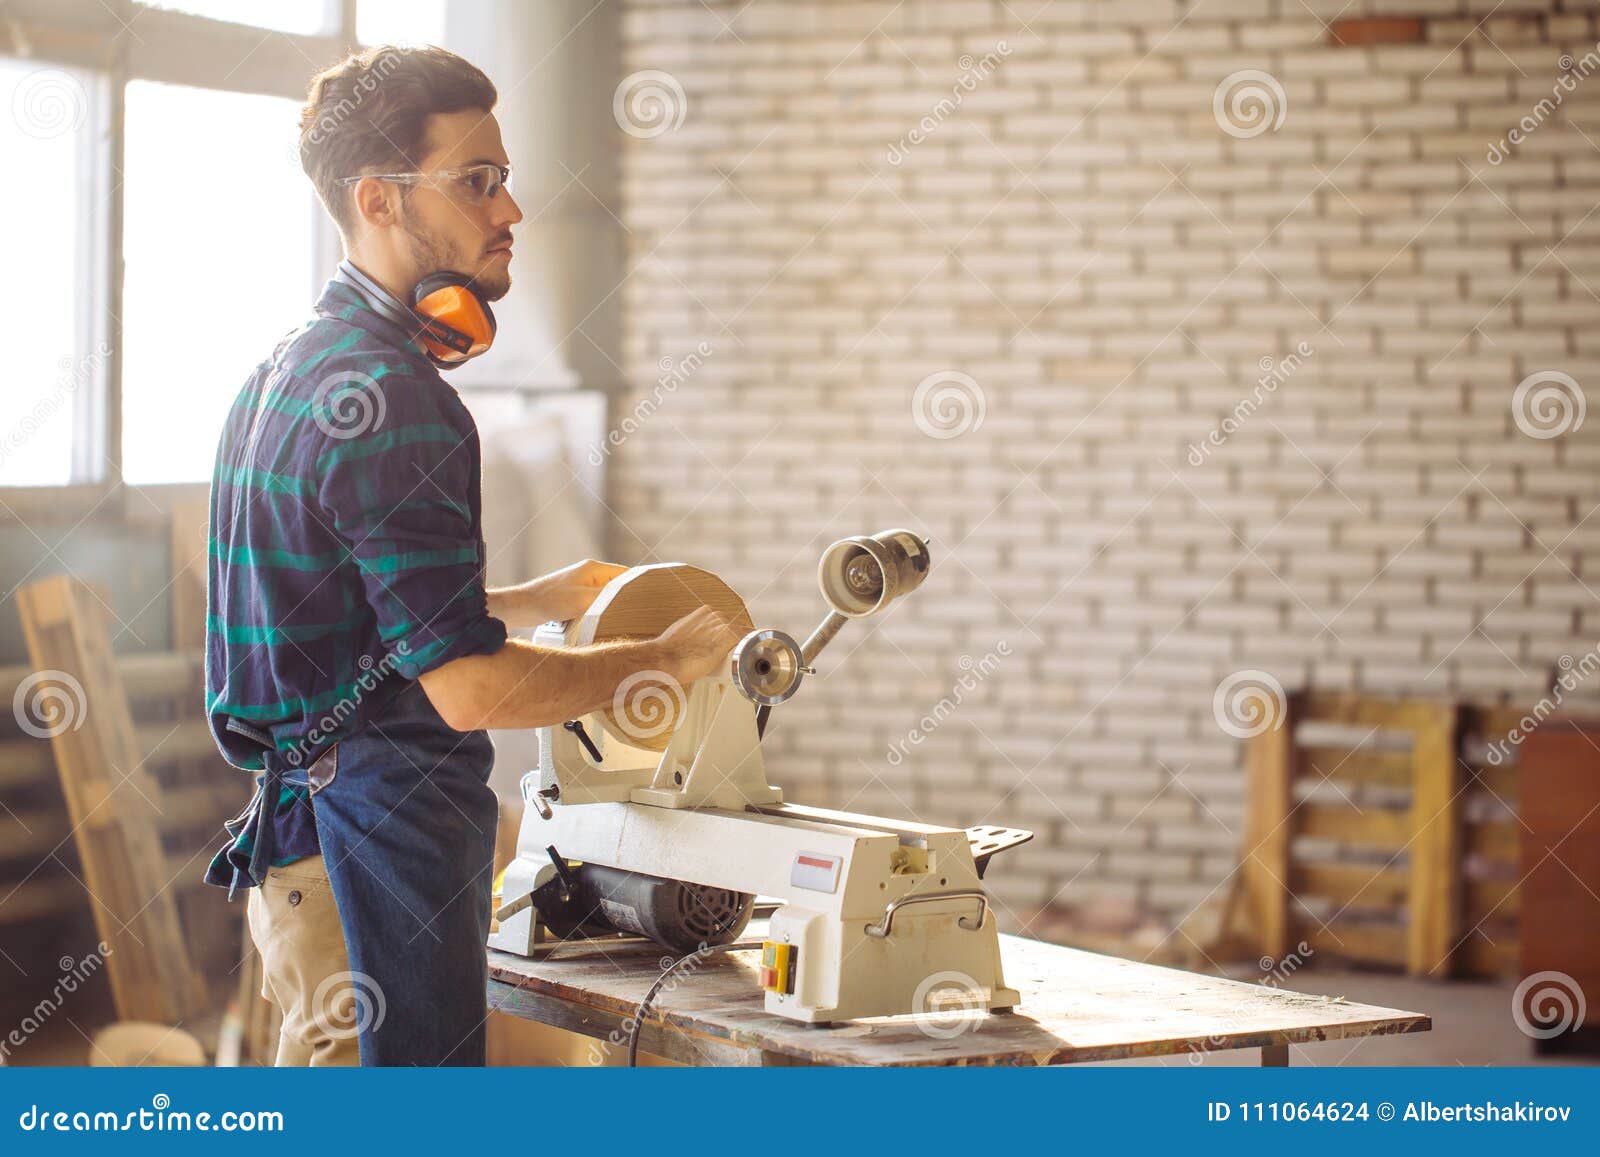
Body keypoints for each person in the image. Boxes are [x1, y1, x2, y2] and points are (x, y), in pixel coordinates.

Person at [202, 44, 741, 1066]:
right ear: (380, 199)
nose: (510, 211)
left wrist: (531, 593)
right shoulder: (403, 402)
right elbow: (471, 689)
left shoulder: (285, 366)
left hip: (302, 851)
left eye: (504, 179)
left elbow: (343, 608)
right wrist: (660, 662)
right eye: (476, 181)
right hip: (368, 848)